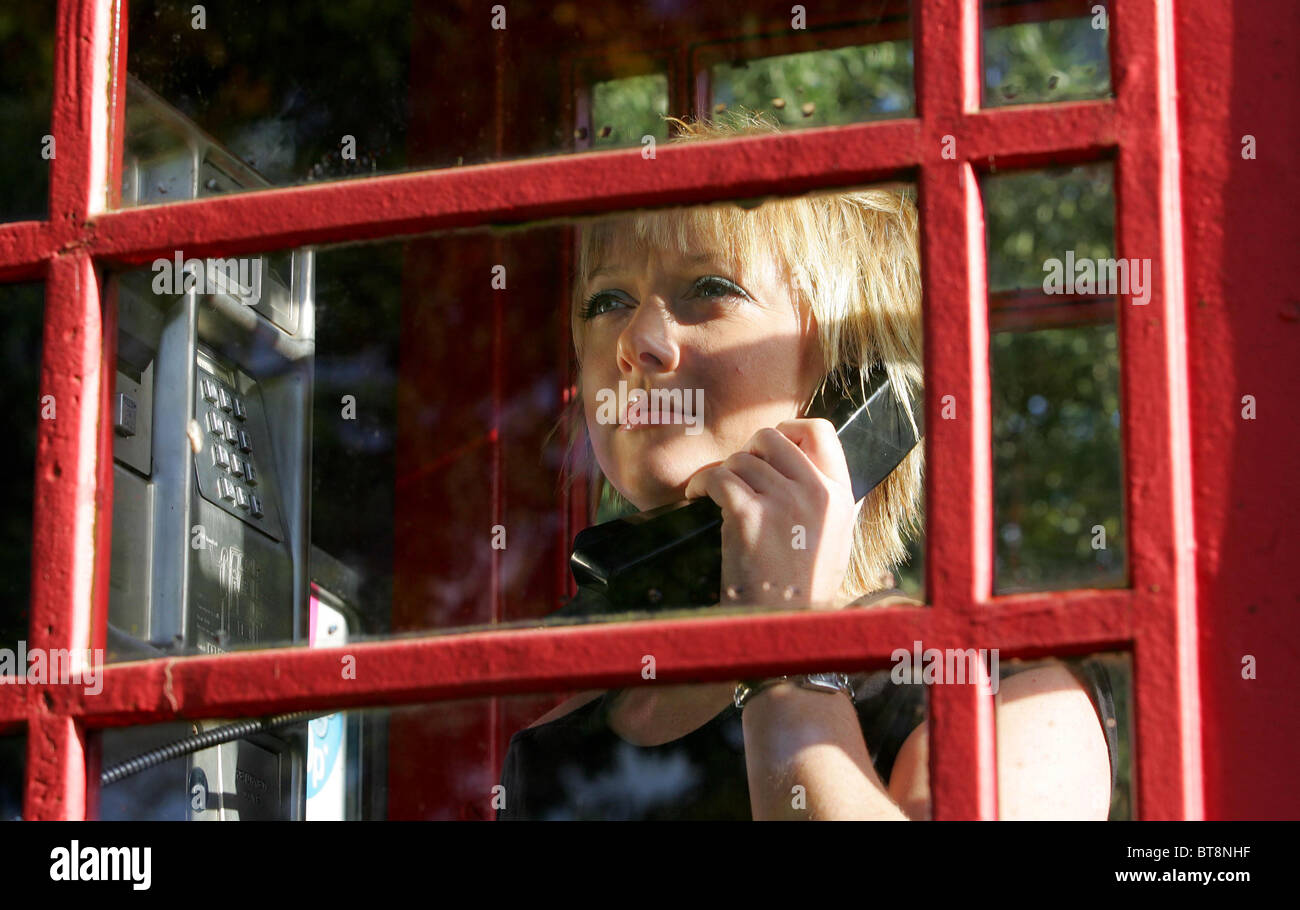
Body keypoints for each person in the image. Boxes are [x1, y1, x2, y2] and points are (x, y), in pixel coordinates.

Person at [498, 111, 1117, 821]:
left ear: (856, 382)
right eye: (608, 301)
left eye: (709, 289)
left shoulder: (1006, 700)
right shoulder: (553, 749)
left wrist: (783, 651)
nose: (638, 340)